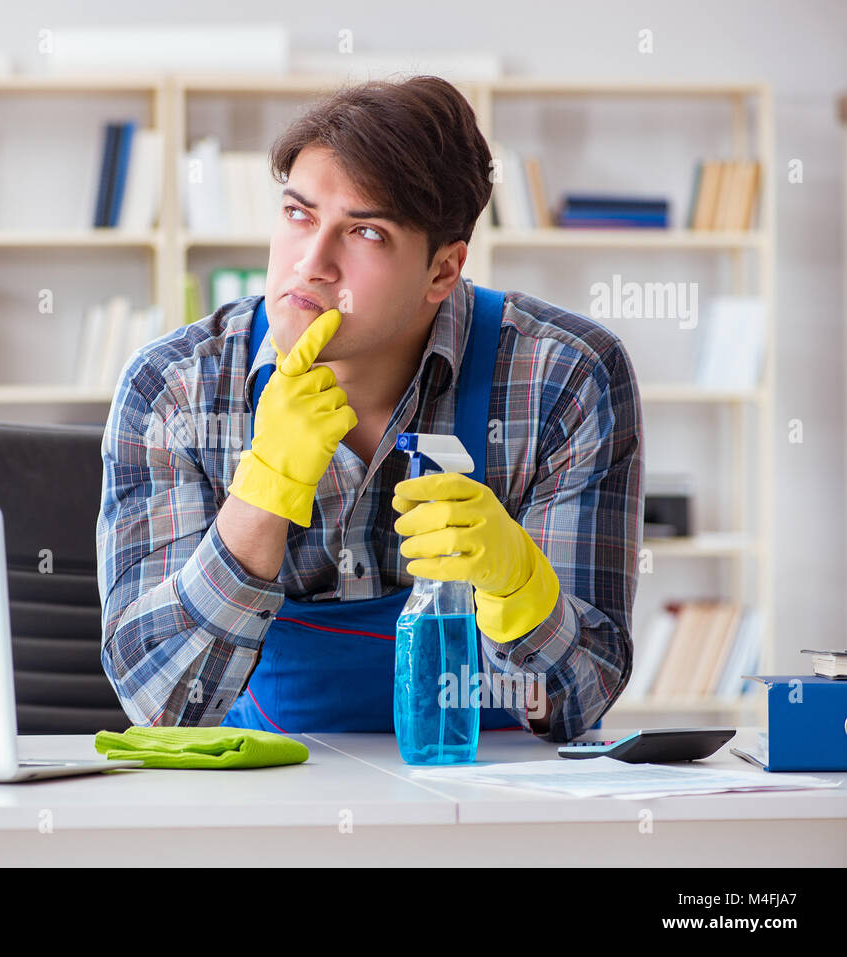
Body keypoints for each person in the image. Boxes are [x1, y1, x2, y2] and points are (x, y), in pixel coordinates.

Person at [96, 75, 643, 741]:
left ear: (442, 271)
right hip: (270, 804)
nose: (312, 264)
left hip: (482, 802)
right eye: (298, 215)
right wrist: (259, 498)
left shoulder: (566, 378)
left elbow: (578, 700)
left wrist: (519, 587)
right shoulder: (176, 388)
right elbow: (162, 708)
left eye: (365, 232)